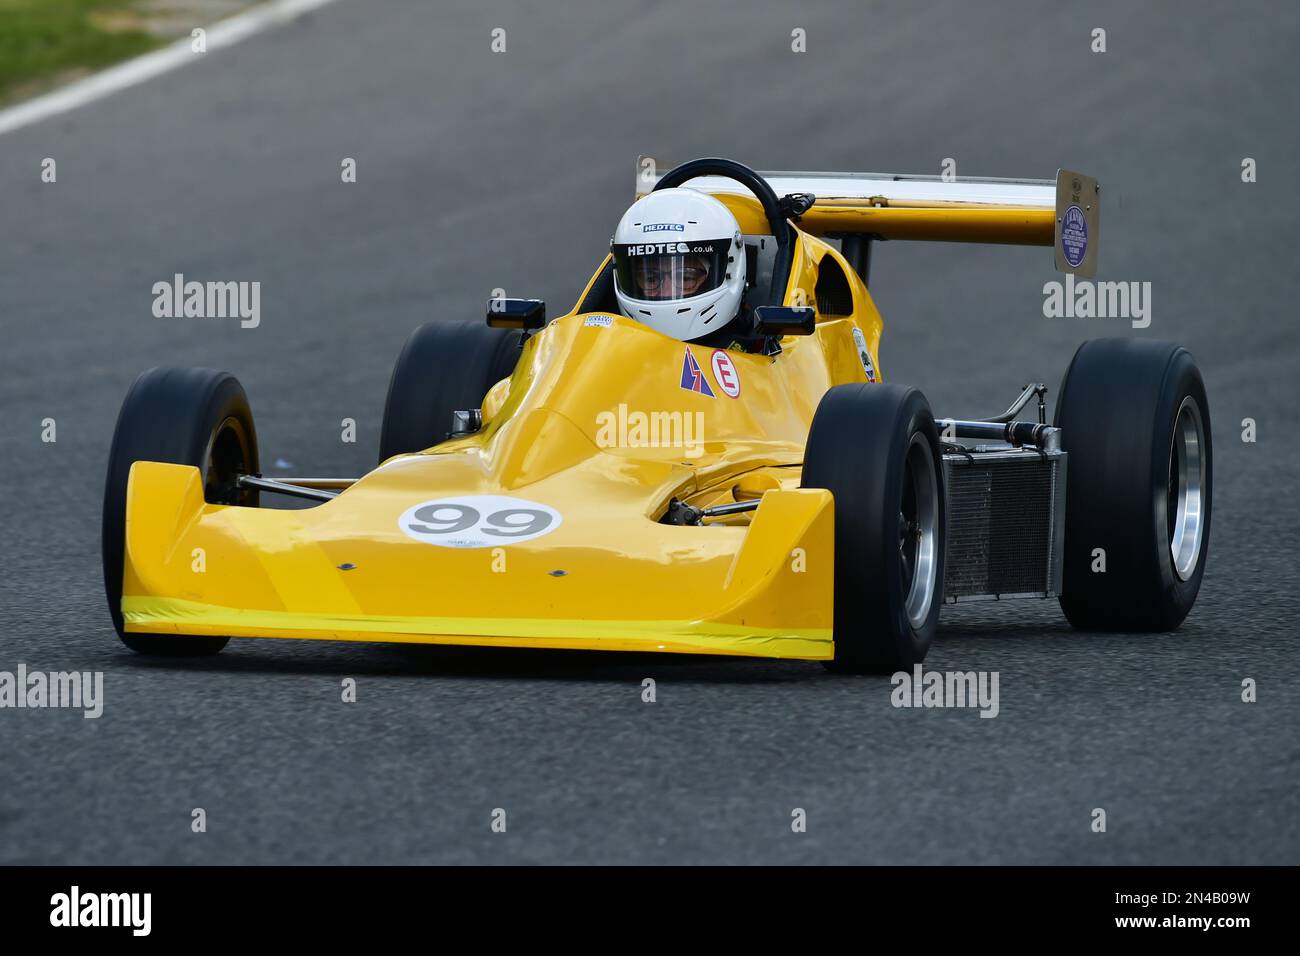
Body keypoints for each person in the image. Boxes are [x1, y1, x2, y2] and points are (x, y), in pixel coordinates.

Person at [610, 188, 763, 350]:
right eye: (650, 279)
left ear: (731, 271)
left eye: (685, 278)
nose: (668, 292)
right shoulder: (607, 345)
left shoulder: (759, 349)